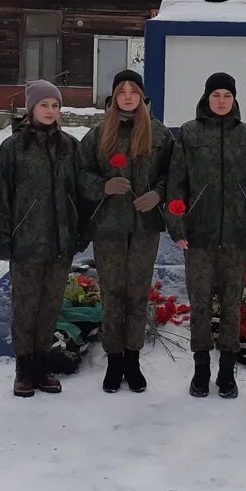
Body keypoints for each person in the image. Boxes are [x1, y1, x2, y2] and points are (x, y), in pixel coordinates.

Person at [165, 72, 246, 399]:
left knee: (232, 305)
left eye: (227, 95)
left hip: (236, 236)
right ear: (206, 98)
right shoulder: (189, 134)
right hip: (199, 237)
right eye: (215, 95)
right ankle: (201, 369)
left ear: (234, 99)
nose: (221, 100)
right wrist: (178, 226)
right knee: (201, 304)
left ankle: (226, 372)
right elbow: (176, 184)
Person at [78, 70, 174, 394]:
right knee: (112, 294)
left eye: (134, 91)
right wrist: (102, 186)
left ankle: (132, 359)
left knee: (137, 293)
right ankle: (113, 359)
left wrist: (159, 194)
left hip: (145, 228)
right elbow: (79, 174)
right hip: (108, 228)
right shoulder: (97, 134)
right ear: (115, 96)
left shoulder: (159, 135)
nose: (129, 96)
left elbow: (174, 175)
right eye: (123, 91)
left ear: (142, 96)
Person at [0, 80, 81, 398]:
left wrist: (77, 234)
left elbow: (79, 196)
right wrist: (2, 238)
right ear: (31, 108)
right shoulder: (13, 148)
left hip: (60, 244)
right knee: (25, 308)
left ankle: (42, 367)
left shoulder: (69, 146)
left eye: (55, 106)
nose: (50, 111)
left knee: (49, 307)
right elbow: (0, 196)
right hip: (25, 242)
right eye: (44, 105)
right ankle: (23, 370)